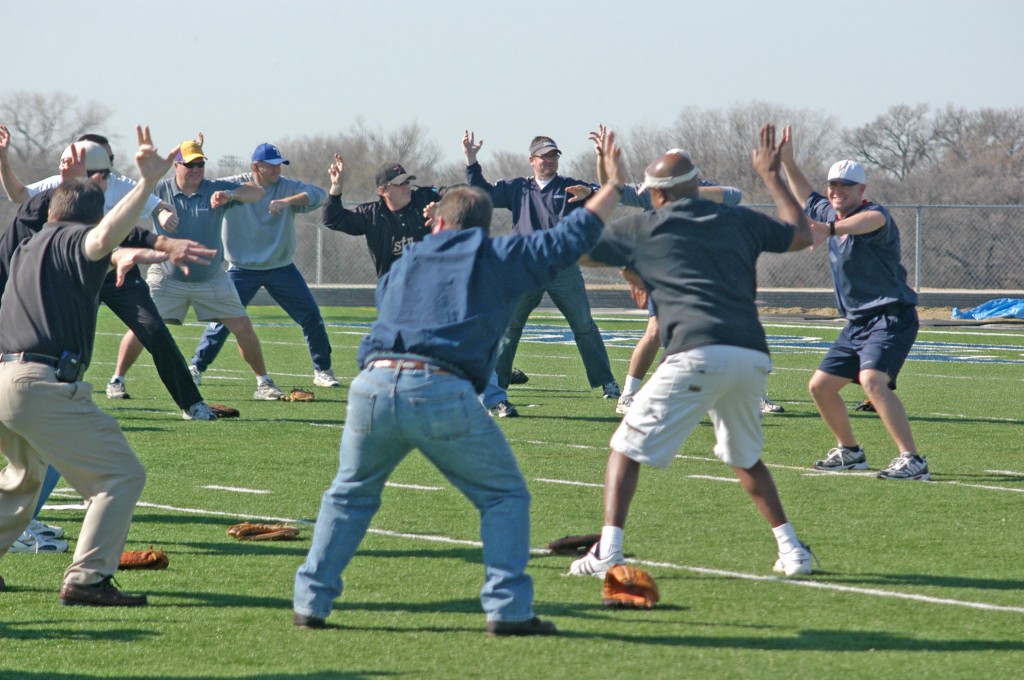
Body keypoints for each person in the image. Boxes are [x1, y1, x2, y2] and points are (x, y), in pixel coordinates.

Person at [293, 131, 631, 636]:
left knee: (348, 496)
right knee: (503, 498)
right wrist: (615, 185)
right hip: (437, 388)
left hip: (370, 387)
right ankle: (508, 611)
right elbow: (570, 237)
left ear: (440, 221)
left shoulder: (406, 262)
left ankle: (310, 602)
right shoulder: (496, 256)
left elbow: (394, 302)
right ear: (482, 223)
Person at [567, 125, 816, 580]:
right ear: (697, 187)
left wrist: (608, 186)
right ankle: (793, 549)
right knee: (745, 457)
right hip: (750, 356)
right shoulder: (736, 219)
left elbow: (577, 247)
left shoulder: (645, 225)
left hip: (696, 353)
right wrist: (773, 176)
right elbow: (802, 235)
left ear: (657, 196)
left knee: (624, 447)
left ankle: (609, 550)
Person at [0, 139, 218, 555]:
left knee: (22, 478)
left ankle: (23, 530)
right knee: (120, 475)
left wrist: (128, 253)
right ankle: (89, 577)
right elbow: (101, 237)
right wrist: (149, 189)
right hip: (39, 381)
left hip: (7, 373)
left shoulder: (30, 244)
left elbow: (102, 241)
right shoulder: (72, 236)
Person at [0, 128, 222, 416]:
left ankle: (192, 403)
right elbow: (97, 235)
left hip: (116, 275)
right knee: (63, 344)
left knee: (153, 329)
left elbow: (139, 216)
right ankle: (56, 404)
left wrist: (161, 227)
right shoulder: (54, 195)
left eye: (107, 166)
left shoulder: (116, 184)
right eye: (98, 169)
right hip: (75, 278)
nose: (105, 175)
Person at [779, 126, 928, 481]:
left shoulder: (873, 215)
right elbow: (806, 195)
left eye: (845, 186)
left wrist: (827, 230)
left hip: (890, 316)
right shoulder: (829, 211)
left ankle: (912, 459)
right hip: (857, 323)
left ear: (862, 190)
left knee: (872, 381)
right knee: (820, 387)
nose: (836, 191)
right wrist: (787, 162)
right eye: (833, 186)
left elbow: (870, 221)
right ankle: (850, 451)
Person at [322, 155, 518, 417]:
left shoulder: (425, 198)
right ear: (383, 191)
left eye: (407, 182)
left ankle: (494, 400)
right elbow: (333, 219)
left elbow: (458, 193)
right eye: (399, 183)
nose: (407, 187)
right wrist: (336, 188)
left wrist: (444, 207)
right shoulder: (372, 214)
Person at [113, 137, 286, 401]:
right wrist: (159, 210)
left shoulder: (214, 188)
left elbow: (257, 191)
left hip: (212, 277)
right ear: (177, 167)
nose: (196, 170)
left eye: (200, 165)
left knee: (242, 325)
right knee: (142, 326)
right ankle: (117, 380)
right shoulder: (160, 189)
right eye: (190, 165)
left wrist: (231, 195)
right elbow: (128, 205)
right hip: (168, 276)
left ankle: (264, 383)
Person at [464, 131, 620, 399]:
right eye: (544, 156)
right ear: (531, 160)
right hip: (523, 269)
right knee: (509, 328)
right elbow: (482, 193)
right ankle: (498, 388)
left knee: (584, 325)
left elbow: (607, 195)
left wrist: (590, 190)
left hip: (563, 268)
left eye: (554, 156)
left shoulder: (570, 185)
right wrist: (471, 159)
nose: (549, 161)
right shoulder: (518, 187)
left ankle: (606, 382)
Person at [190, 143, 338, 388]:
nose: (276, 170)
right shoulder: (234, 183)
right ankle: (196, 366)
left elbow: (319, 194)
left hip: (281, 267)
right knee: (223, 320)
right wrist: (220, 194)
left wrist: (287, 201)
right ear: (255, 167)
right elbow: (202, 189)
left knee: (311, 315)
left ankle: (323, 370)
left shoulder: (286, 185)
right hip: (241, 269)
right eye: (271, 166)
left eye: (279, 165)